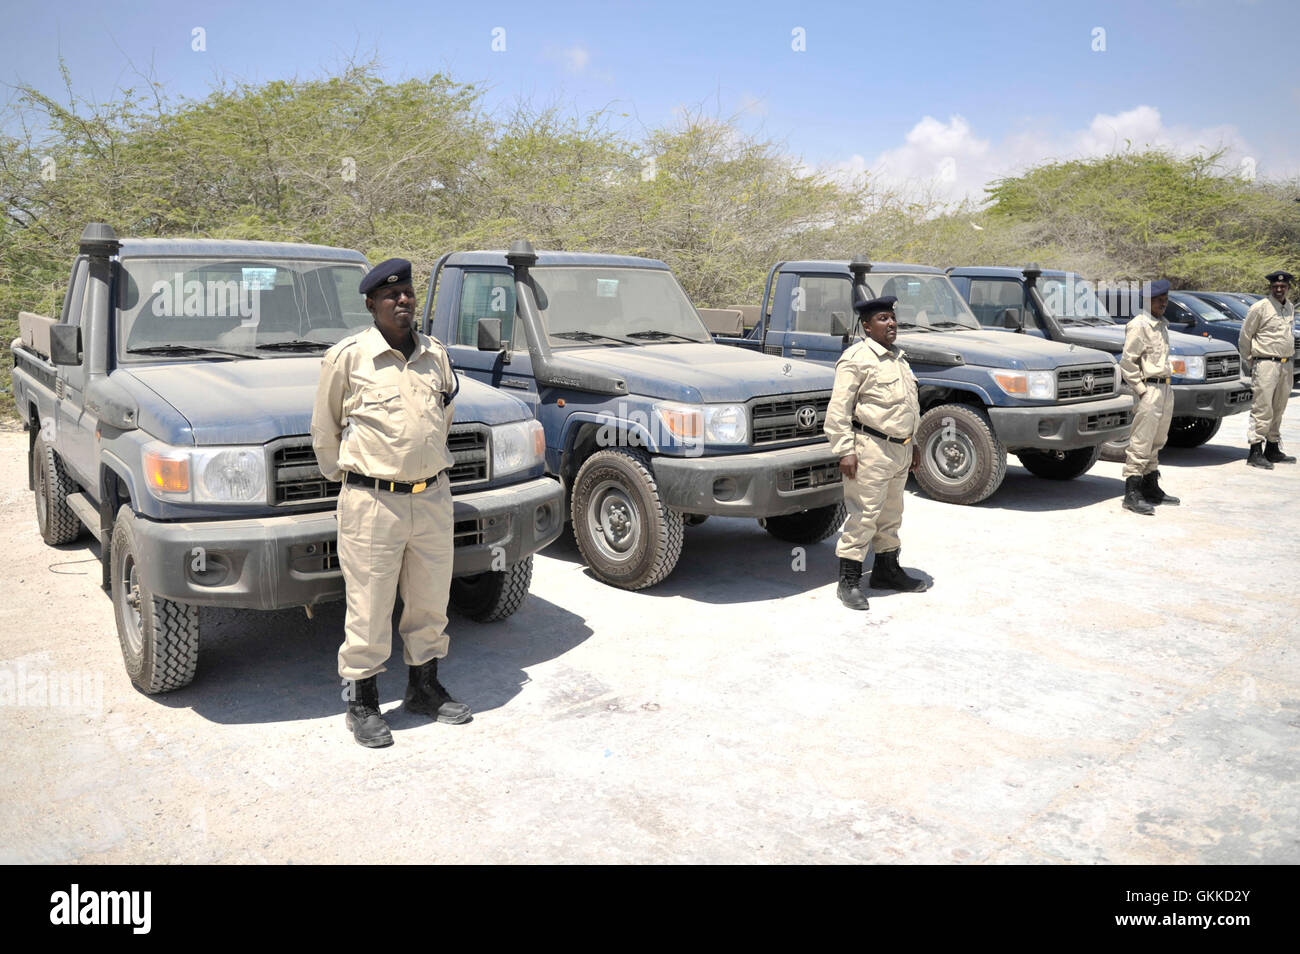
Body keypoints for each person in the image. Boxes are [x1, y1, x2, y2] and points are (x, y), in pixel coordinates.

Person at [311, 258, 470, 748]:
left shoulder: (435, 356)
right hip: (372, 502)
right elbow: (325, 431)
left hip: (432, 497)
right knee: (369, 605)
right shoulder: (348, 358)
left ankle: (423, 687)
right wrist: (355, 479)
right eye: (390, 296)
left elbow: (442, 418)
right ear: (371, 305)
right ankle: (362, 702)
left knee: (429, 600)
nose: (402, 302)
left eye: (407, 294)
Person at [823, 295, 929, 611]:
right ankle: (849, 582)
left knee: (891, 513)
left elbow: (909, 405)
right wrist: (845, 451)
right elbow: (838, 410)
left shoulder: (898, 358)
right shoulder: (856, 358)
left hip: (900, 448)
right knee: (864, 514)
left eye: (893, 317)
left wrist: (915, 444)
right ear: (867, 326)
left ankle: (886, 570)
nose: (892, 323)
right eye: (883, 318)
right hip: (869, 448)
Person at [1119, 280, 1180, 515]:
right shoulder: (1139, 325)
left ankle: (1151, 486)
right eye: (1158, 299)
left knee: (1157, 439)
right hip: (1150, 389)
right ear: (1147, 302)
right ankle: (1132, 493)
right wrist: (1141, 390)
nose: (1163, 303)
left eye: (1165, 299)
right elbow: (1127, 361)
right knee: (1141, 441)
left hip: (1165, 388)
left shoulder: (1161, 325)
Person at [1240, 270, 1296, 468]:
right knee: (1262, 408)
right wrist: (1250, 360)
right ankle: (1255, 451)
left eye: (1282, 287)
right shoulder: (1260, 308)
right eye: (1275, 287)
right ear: (1271, 288)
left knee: (1279, 407)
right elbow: (1245, 336)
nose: (1279, 289)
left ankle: (1272, 448)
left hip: (1285, 364)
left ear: (1288, 288)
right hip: (1265, 363)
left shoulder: (1289, 307)